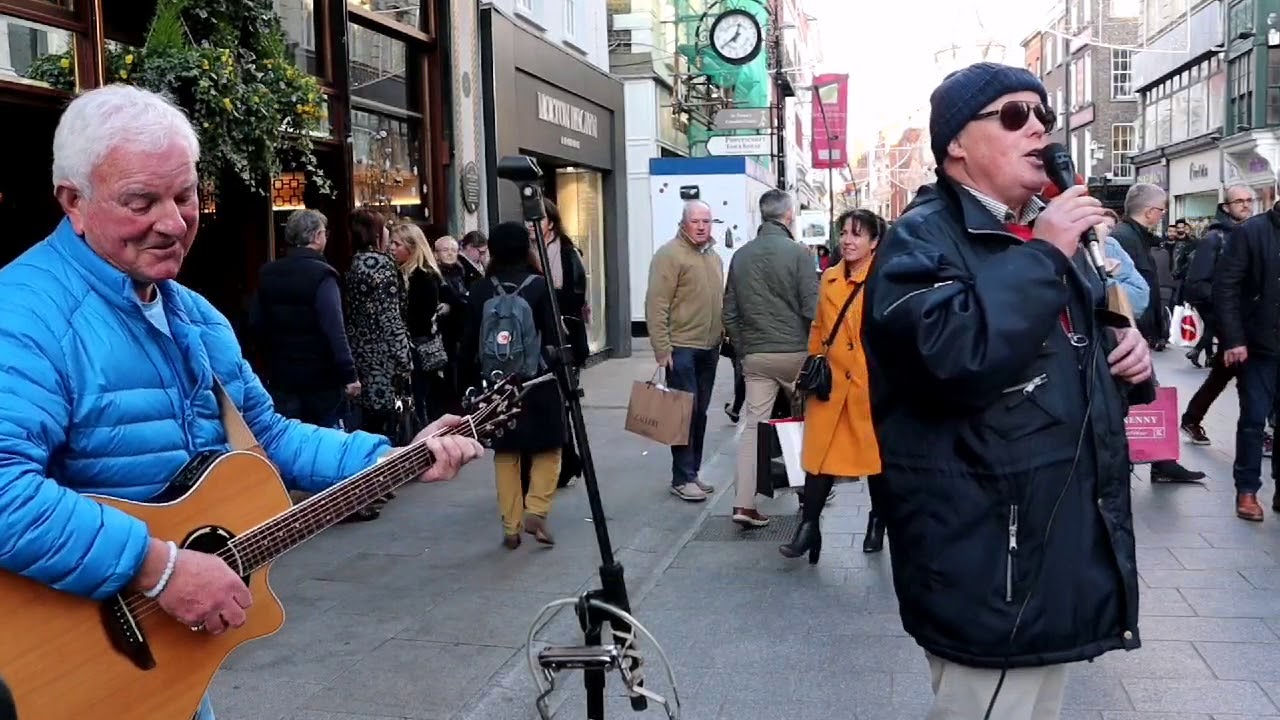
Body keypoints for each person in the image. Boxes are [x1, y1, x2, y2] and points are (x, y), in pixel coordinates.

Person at [0, 85, 484, 720]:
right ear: (74, 202)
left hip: (159, 669)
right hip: (57, 671)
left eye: (185, 196)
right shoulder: (23, 314)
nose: (174, 223)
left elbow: (268, 438)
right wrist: (159, 570)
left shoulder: (194, 315)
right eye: (142, 202)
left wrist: (394, 457)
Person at [862, 62, 1152, 720]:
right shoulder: (921, 239)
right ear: (956, 145)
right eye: (1015, 115)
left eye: (1043, 115)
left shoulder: (1046, 234)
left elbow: (1063, 354)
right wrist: (1045, 255)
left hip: (1052, 545)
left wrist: (1126, 360)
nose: (1039, 129)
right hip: (989, 554)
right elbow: (947, 356)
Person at [779, 208, 887, 563]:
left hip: (868, 387)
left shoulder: (884, 278)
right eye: (844, 233)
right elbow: (818, 327)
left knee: (876, 461)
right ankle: (808, 527)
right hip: (831, 385)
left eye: (857, 234)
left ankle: (878, 519)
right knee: (819, 459)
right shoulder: (829, 277)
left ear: (874, 242)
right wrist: (813, 365)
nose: (847, 241)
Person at [463, 221, 567, 548]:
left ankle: (511, 526)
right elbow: (554, 338)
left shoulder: (480, 289)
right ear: (526, 248)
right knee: (549, 448)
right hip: (537, 381)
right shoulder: (539, 286)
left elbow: (468, 343)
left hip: (496, 386)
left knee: (506, 453)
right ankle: (536, 508)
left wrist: (467, 384)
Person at [722, 189, 819, 527]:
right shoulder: (799, 254)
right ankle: (808, 494)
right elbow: (812, 309)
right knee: (804, 423)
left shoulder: (741, 256)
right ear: (788, 216)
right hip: (796, 353)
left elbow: (729, 312)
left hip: (757, 356)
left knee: (753, 427)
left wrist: (743, 349)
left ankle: (743, 504)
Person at [644, 199, 724, 502]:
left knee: (699, 413)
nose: (702, 227)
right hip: (681, 348)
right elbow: (656, 303)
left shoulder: (713, 256)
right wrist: (662, 348)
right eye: (695, 221)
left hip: (709, 347)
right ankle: (682, 477)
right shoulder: (669, 255)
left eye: (706, 221)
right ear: (683, 223)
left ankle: (692, 472)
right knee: (683, 415)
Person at [250, 208, 359, 428]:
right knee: (327, 440)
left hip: (282, 376)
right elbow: (335, 330)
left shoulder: (268, 273)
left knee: (289, 437)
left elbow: (256, 324)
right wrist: (350, 375)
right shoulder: (323, 275)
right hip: (321, 381)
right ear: (317, 236)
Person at [1215, 191, 1280, 521]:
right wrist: (1234, 339)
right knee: (1254, 419)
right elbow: (1226, 287)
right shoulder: (1251, 232)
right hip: (1258, 344)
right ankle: (1247, 490)